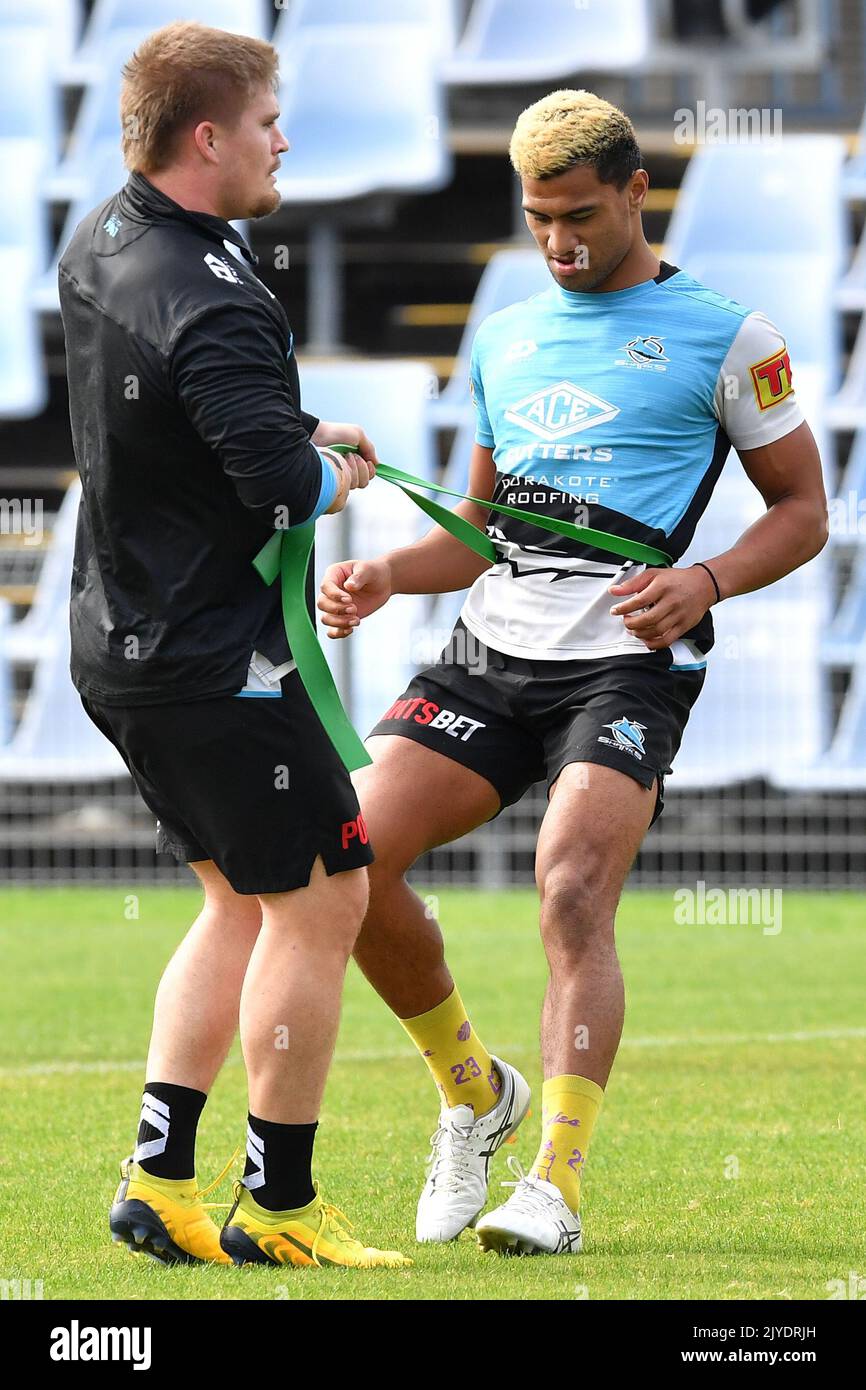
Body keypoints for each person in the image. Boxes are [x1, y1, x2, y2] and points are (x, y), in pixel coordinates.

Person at [317, 89, 829, 1255]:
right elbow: (482, 532)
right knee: (339, 860)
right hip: (491, 653)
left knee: (566, 890)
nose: (558, 242)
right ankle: (470, 1093)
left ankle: (551, 1180)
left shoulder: (730, 337)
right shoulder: (505, 331)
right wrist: (391, 575)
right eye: (538, 217)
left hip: (627, 664)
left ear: (635, 191)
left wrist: (702, 583)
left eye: (580, 215)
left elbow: (802, 513)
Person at [60, 21, 409, 1270]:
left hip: (126, 637)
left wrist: (305, 429)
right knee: (322, 902)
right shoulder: (204, 286)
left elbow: (206, 419)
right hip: (213, 656)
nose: (284, 140)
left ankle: (157, 1184)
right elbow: (268, 480)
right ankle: (282, 1203)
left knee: (236, 902)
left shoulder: (113, 233)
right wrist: (324, 469)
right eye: (268, 121)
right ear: (207, 137)